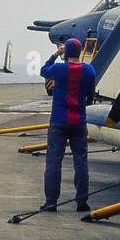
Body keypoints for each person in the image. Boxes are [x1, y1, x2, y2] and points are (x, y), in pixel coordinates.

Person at [39, 37, 96, 212]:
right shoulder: (89, 70)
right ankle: (81, 201)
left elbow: (43, 71)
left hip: (58, 121)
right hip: (79, 122)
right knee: (81, 162)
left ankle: (51, 202)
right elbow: (90, 96)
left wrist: (56, 53)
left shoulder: (58, 69)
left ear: (66, 53)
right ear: (79, 52)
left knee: (54, 162)